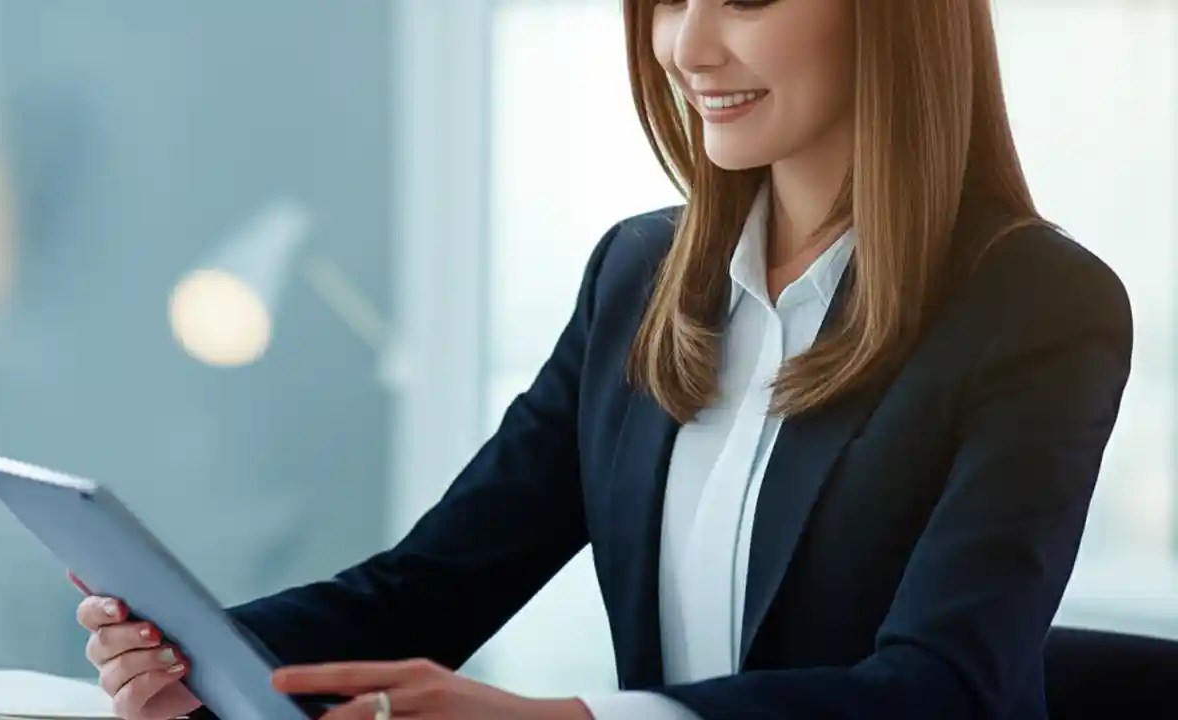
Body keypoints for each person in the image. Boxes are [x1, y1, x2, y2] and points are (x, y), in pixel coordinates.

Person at [73, 0, 1133, 718]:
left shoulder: (1036, 308)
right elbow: (428, 587)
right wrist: (204, 651)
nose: (685, 48)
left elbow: (940, 691)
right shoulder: (639, 275)